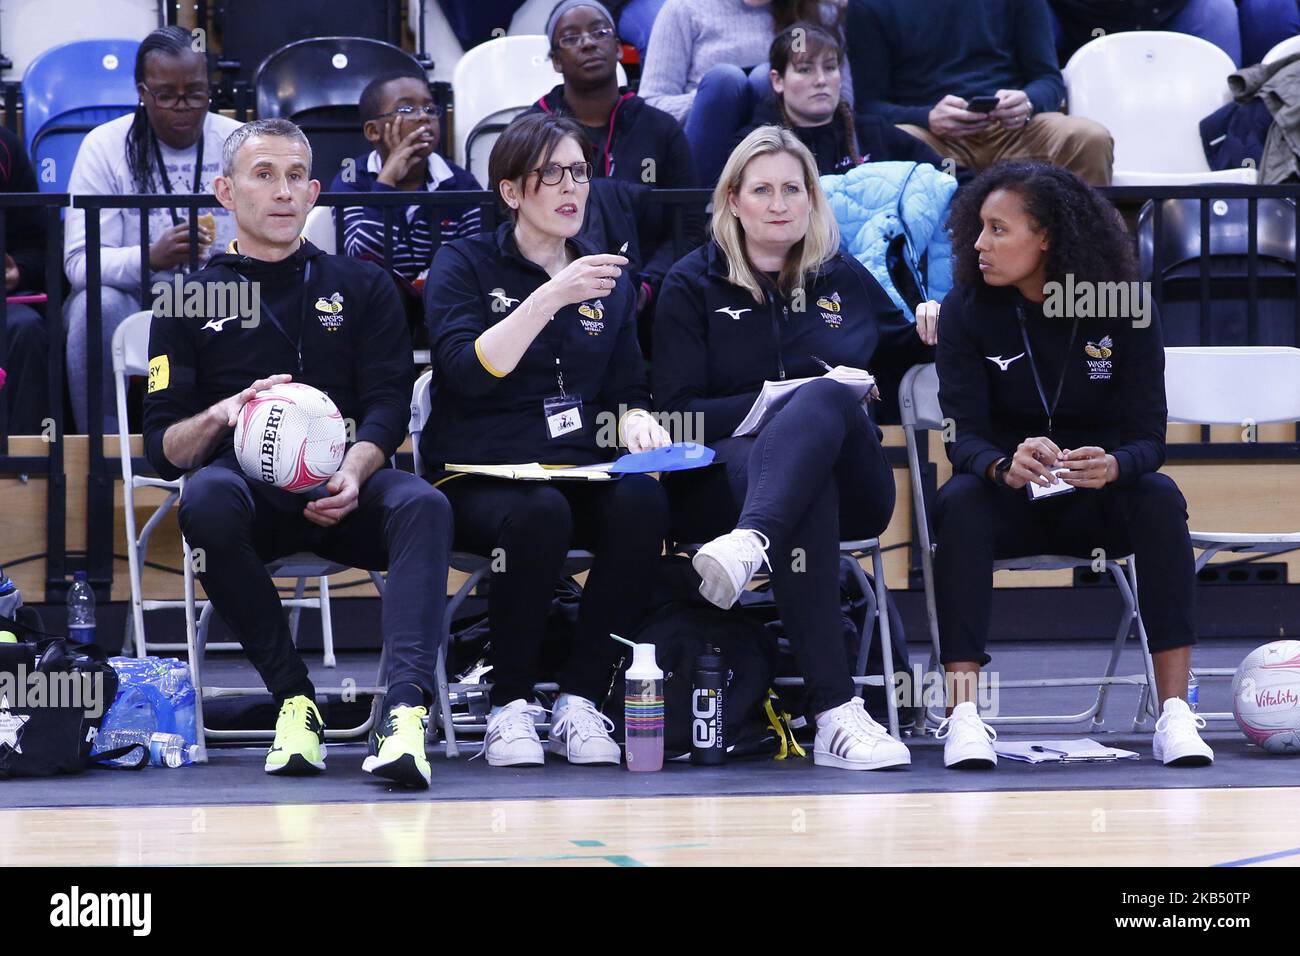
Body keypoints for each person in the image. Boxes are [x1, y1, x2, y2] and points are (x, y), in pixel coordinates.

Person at [143, 119, 452, 789]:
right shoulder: (188, 297)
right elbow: (163, 449)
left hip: (347, 487)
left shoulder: (363, 286)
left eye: (294, 178)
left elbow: (388, 403)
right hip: (249, 497)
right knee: (205, 497)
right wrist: (224, 414)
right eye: (262, 175)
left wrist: (356, 466)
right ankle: (294, 700)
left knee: (424, 503)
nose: (281, 192)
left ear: (313, 193)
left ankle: (403, 714)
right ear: (225, 191)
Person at [653, 126, 937, 771]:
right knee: (809, 473)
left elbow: (898, 357)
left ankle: (754, 541)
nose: (779, 203)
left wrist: (935, 327)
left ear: (812, 199)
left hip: (857, 486)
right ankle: (837, 716)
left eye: (793, 188)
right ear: (732, 200)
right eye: (762, 190)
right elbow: (674, 413)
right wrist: (767, 399)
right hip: (726, 479)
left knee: (826, 397)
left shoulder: (843, 277)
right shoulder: (691, 283)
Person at [932, 161, 1213, 769]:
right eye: (978, 228)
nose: (980, 244)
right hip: (1008, 499)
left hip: (1096, 503)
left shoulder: (1125, 308)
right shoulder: (966, 310)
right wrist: (1002, 464)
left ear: (1048, 237)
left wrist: (1114, 465)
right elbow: (961, 436)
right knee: (957, 502)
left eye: (998, 230)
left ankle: (1174, 714)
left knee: (1159, 496)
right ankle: (963, 714)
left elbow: (1150, 437)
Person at [422, 112, 672, 768]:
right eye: (552, 173)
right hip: (475, 472)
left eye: (580, 172)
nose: (571, 186)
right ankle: (510, 704)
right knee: (540, 513)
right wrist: (548, 297)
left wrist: (636, 420)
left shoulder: (604, 280)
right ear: (511, 192)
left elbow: (626, 388)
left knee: (642, 502)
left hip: (573, 466)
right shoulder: (465, 263)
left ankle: (581, 698)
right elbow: (467, 373)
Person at [64, 25, 242, 433]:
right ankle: (103, 449)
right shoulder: (104, 146)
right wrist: (150, 257)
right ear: (142, 93)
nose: (182, 106)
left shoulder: (238, 141)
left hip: (223, 296)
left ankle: (250, 443)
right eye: (165, 95)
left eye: (195, 93)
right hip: (137, 299)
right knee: (95, 304)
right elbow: (77, 263)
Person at [529, 1, 698, 318]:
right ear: (554, 61)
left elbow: (687, 227)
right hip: (551, 296)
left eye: (599, 32)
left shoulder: (661, 128)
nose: (588, 42)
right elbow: (512, 218)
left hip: (654, 300)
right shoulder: (531, 131)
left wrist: (646, 287)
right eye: (571, 37)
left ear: (619, 49)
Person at [847, 0, 1114, 186]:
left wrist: (1028, 101)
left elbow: (1049, 79)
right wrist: (927, 117)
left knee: (1089, 138)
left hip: (1016, 129)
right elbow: (870, 106)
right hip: (932, 137)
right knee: (895, 142)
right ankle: (920, 264)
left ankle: (1084, 260)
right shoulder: (870, 5)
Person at [330, 70, 481, 330]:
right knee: (378, 285)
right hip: (374, 308)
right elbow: (361, 255)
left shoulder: (461, 183)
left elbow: (474, 263)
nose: (423, 116)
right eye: (407, 108)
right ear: (373, 130)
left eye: (430, 109)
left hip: (442, 305)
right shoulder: (352, 179)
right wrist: (387, 181)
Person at [639, 0, 851, 184]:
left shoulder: (816, 11)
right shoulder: (685, 8)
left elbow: (844, 97)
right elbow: (650, 107)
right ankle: (698, 207)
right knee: (725, 79)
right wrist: (711, 98)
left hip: (786, 144)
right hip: (704, 148)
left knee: (762, 77)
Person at [739, 22, 953, 177]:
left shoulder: (873, 131)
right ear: (778, 81)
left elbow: (950, 170)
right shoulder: (755, 145)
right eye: (805, 70)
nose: (821, 80)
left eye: (830, 67)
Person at [0, 125, 51, 435]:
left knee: (27, 328)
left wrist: (17, 270)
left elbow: (37, 245)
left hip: (5, 305)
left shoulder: (5, 148)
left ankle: (24, 466)